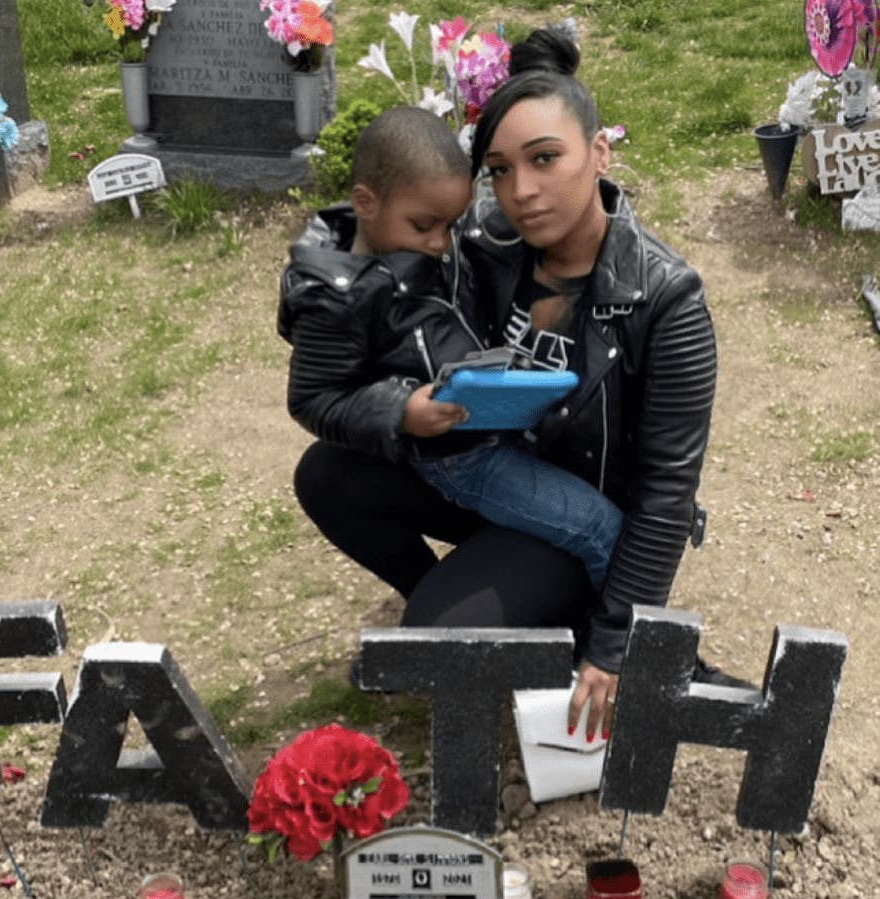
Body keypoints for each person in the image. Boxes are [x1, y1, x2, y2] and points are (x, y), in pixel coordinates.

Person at [290, 26, 730, 747]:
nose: (521, 192)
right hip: (487, 473)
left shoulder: (665, 301)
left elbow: (665, 494)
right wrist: (379, 383)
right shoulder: (482, 245)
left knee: (434, 639)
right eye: (499, 170)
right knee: (326, 474)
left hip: (587, 517)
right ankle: (486, 601)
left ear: (600, 152)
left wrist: (615, 645)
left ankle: (562, 613)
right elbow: (373, 251)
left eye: (545, 159)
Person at [280, 105, 624, 598]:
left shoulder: (421, 235)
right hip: (461, 456)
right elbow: (313, 398)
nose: (442, 243)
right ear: (366, 202)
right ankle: (609, 636)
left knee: (596, 512)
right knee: (599, 527)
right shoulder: (336, 300)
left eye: (451, 224)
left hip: (503, 420)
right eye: (425, 226)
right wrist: (401, 411)